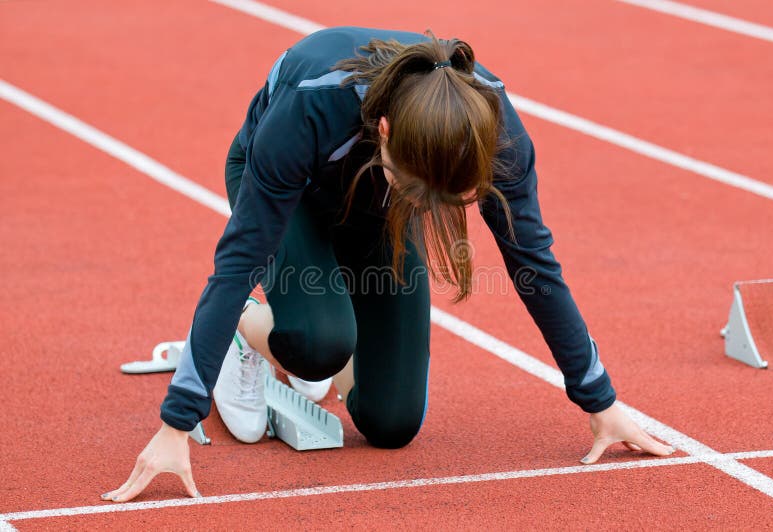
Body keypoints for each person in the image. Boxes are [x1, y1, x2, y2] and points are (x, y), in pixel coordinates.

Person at [102, 27, 673, 502]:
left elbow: (535, 265)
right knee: (316, 343)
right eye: (416, 186)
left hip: (378, 211)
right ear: (384, 131)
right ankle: (248, 333)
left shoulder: (493, 137)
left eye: (439, 200)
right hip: (294, 193)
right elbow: (237, 260)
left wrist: (601, 401)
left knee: (392, 424)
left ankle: (329, 322)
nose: (429, 208)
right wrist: (178, 420)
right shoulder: (310, 104)